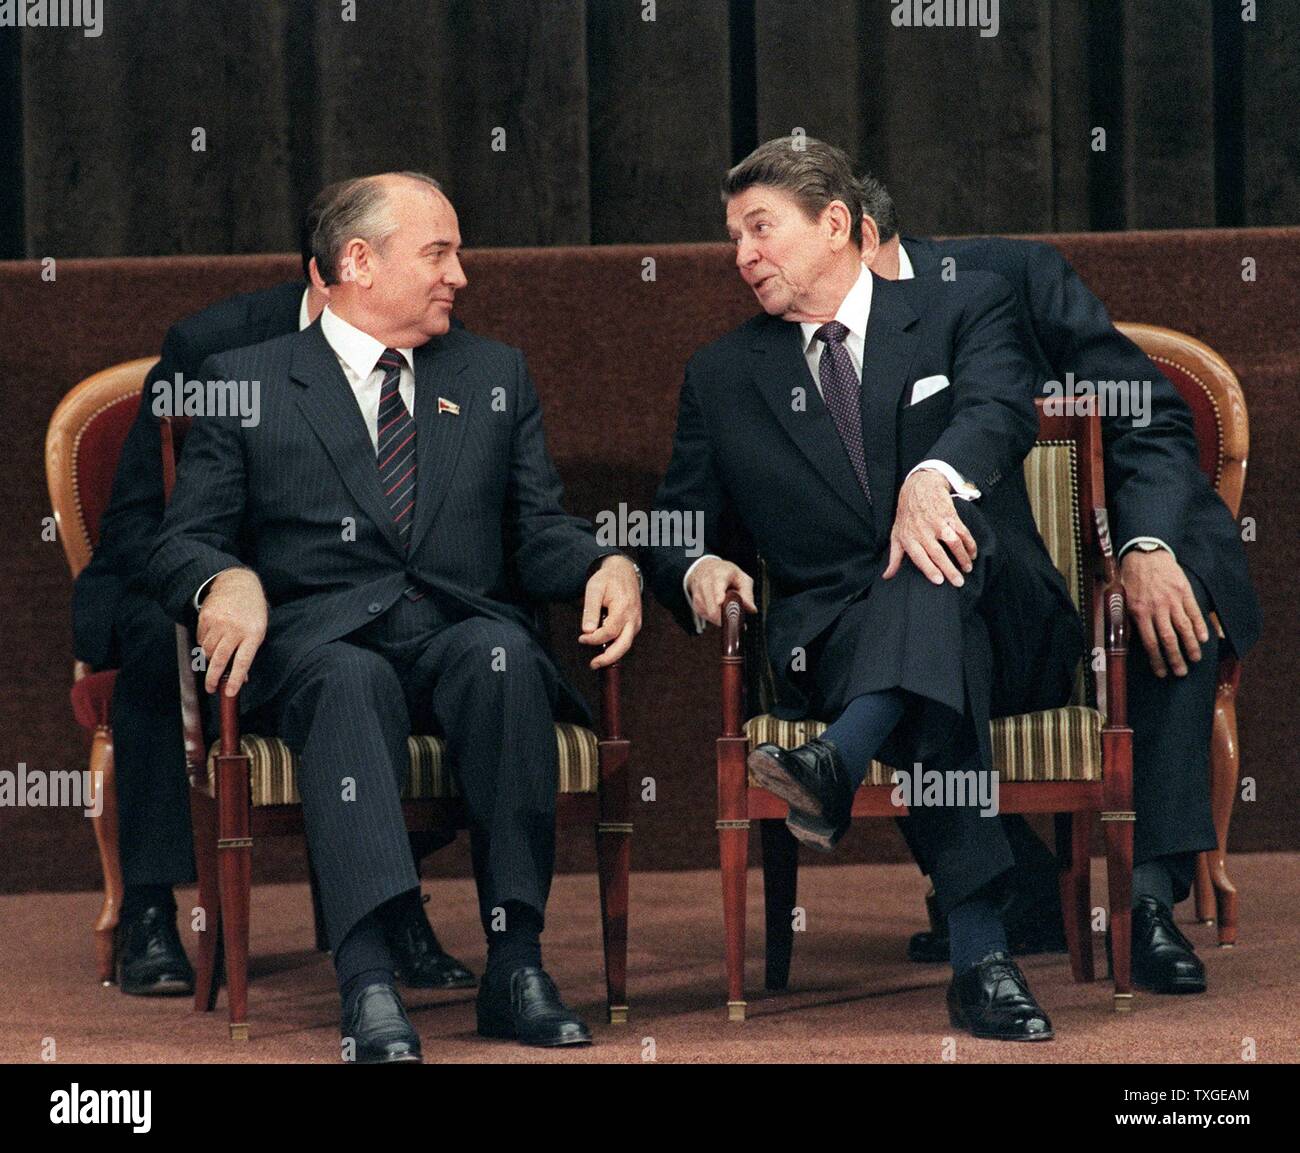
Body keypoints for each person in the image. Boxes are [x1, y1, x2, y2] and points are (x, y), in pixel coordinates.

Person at [147, 172, 641, 1062]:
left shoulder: (494, 373)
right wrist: (223, 578)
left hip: (455, 633)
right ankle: (368, 979)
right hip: (318, 647)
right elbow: (177, 542)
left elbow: (536, 531)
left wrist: (607, 560)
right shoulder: (245, 380)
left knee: (504, 655)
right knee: (351, 676)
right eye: (439, 252)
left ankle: (516, 965)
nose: (461, 273)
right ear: (358, 262)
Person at [643, 138, 1082, 1041]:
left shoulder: (964, 306)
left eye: (760, 228)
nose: (743, 255)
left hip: (1011, 621)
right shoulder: (723, 376)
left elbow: (999, 408)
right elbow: (675, 523)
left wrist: (937, 474)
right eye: (734, 237)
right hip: (835, 643)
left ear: (834, 222)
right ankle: (981, 957)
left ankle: (837, 761)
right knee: (928, 621)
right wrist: (696, 566)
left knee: (936, 556)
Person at [858, 172, 1261, 994]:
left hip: (1111, 542)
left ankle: (1145, 902)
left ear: (852, 232)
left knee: (1167, 602)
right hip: (984, 571)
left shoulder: (1013, 276)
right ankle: (1027, 895)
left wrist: (1144, 545)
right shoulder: (809, 334)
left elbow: (1145, 413)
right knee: (900, 619)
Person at [72, 197, 476, 997]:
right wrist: (226, 577)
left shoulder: (420, 344)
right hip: (183, 569)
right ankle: (153, 906)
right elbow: (139, 525)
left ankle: (388, 902)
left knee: (417, 625)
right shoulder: (212, 347)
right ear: (331, 273)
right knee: (165, 635)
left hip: (318, 587)